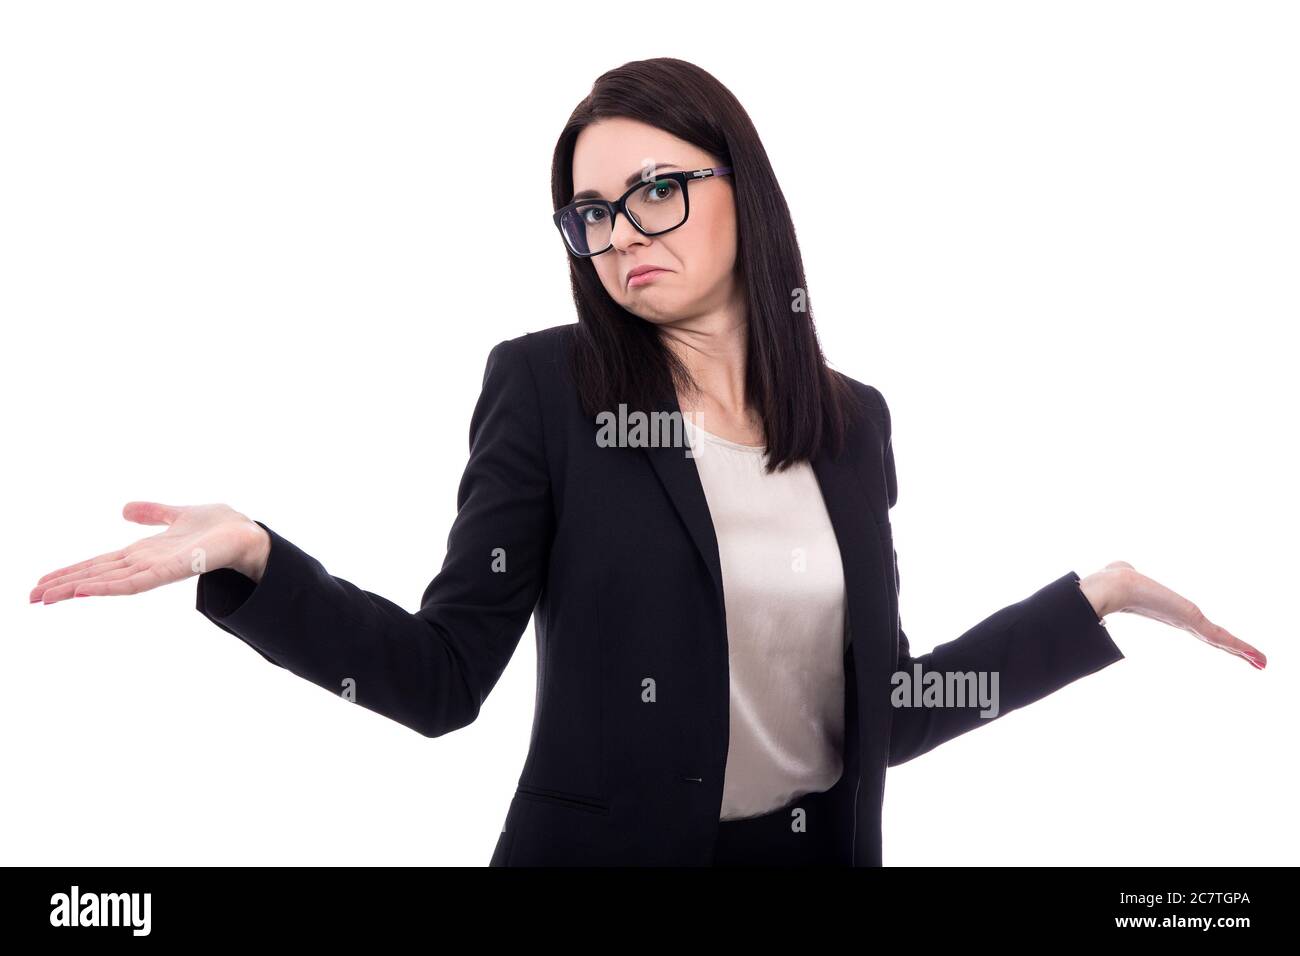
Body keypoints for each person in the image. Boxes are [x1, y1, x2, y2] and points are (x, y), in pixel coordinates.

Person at [30, 57, 1266, 867]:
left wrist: (1089, 600)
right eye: (592, 211)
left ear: (744, 190)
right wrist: (255, 559)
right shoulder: (550, 390)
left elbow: (878, 714)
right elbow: (441, 677)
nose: (622, 234)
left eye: (658, 189)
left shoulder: (850, 423)